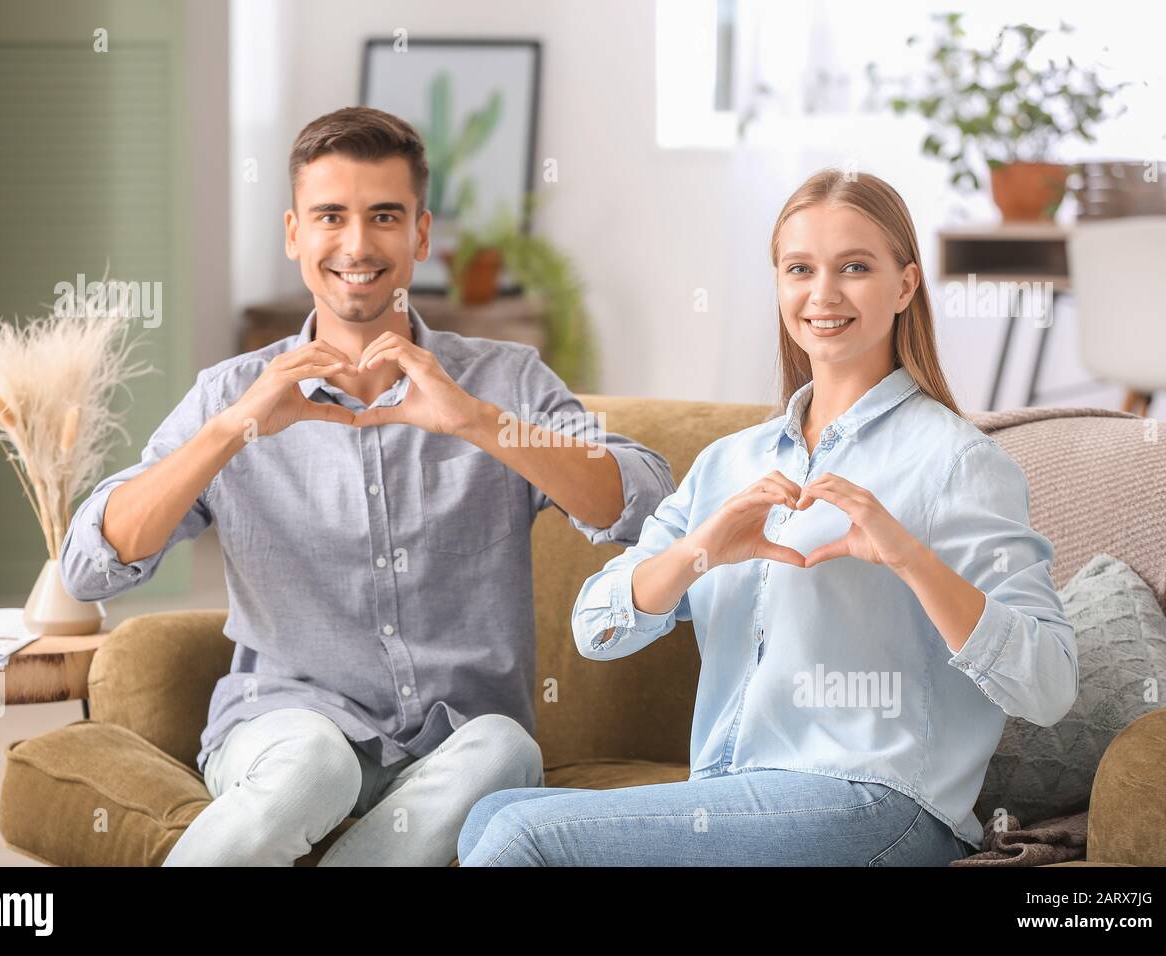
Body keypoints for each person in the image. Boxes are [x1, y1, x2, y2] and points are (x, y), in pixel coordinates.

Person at [59, 106, 676, 866]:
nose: (357, 245)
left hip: (460, 744)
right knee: (317, 763)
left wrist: (480, 424)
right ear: (295, 234)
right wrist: (229, 432)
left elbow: (648, 505)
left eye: (384, 216)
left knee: (504, 751)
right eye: (330, 216)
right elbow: (89, 566)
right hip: (286, 728)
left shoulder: (503, 382)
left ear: (420, 235)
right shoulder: (231, 395)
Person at [457, 168, 1079, 867]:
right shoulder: (731, 464)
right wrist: (702, 551)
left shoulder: (956, 462)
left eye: (854, 267)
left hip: (881, 807)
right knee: (491, 814)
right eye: (799, 269)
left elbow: (1049, 683)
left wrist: (912, 559)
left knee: (519, 836)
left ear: (905, 286)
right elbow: (595, 629)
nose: (823, 294)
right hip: (735, 796)